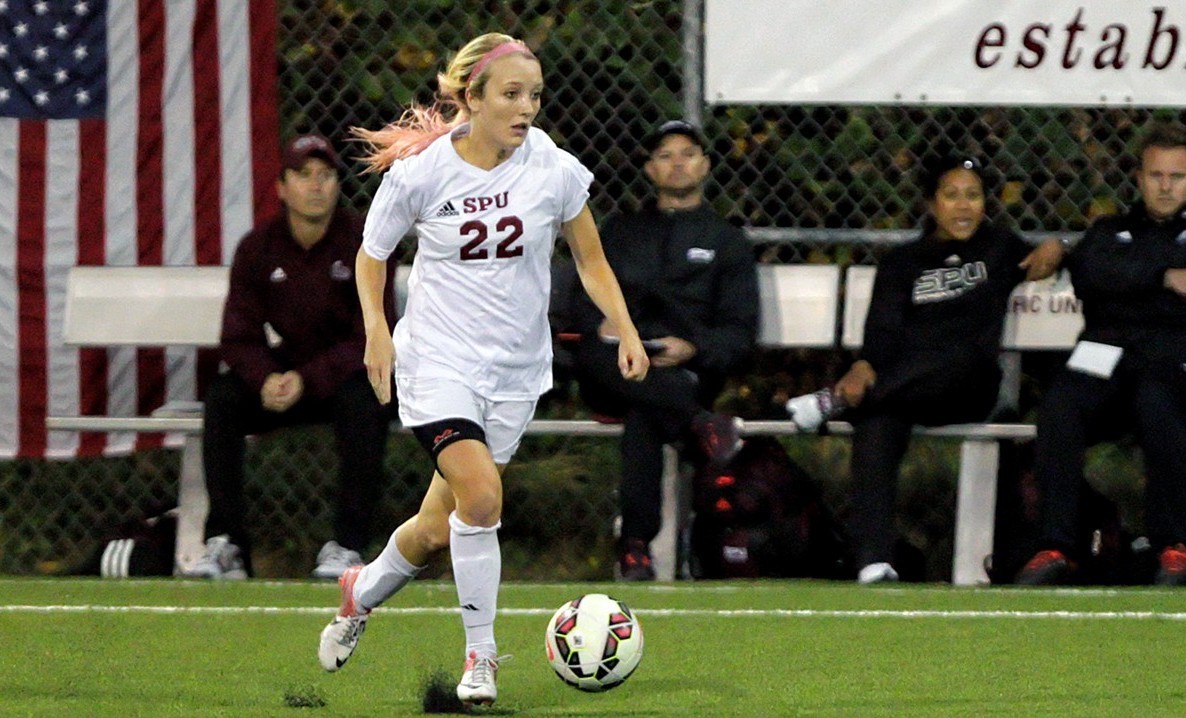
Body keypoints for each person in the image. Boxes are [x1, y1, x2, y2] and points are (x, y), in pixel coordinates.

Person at [315, 33, 649, 708]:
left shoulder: (551, 166)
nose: (526, 108)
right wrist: (378, 332)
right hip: (438, 360)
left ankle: (362, 591)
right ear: (471, 98)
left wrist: (627, 328)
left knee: (440, 527)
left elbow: (589, 260)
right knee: (485, 497)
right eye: (511, 95)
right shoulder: (423, 172)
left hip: (515, 373)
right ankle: (482, 656)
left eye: (534, 95)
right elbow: (372, 256)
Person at [786, 152, 1064, 584]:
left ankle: (835, 401)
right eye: (951, 195)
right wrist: (864, 367)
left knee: (959, 356)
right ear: (931, 204)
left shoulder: (999, 247)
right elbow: (881, 335)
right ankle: (874, 561)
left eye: (973, 196)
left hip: (968, 389)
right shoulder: (903, 263)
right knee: (876, 421)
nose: (963, 206)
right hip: (906, 391)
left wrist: (1054, 246)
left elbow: (1044, 257)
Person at [1015, 122, 1186, 587]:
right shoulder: (1109, 230)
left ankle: (1173, 546)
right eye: (1156, 175)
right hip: (1108, 359)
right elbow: (1089, 276)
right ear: (1138, 178)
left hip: (1182, 364)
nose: (1165, 186)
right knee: (1060, 404)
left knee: (1158, 395)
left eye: (1177, 177)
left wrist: (1128, 289)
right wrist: (1166, 278)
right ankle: (1057, 547)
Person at [187, 134, 395, 581]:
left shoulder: (366, 242)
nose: (316, 185)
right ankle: (228, 546)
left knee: (369, 400)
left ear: (338, 185)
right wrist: (264, 378)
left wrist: (308, 377)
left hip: (345, 374)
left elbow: (373, 333)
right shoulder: (258, 248)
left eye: (325, 175)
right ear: (281, 187)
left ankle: (348, 545)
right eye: (303, 175)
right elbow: (237, 336)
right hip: (285, 376)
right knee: (223, 398)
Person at [563, 119, 759, 581]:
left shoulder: (726, 241)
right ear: (650, 169)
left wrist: (692, 348)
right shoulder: (620, 231)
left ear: (705, 164)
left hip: (682, 373)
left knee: (646, 415)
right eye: (665, 155)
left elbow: (739, 332)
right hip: (614, 366)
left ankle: (635, 546)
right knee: (598, 349)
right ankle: (701, 425)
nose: (677, 163)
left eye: (687, 153)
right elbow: (582, 305)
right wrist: (613, 327)